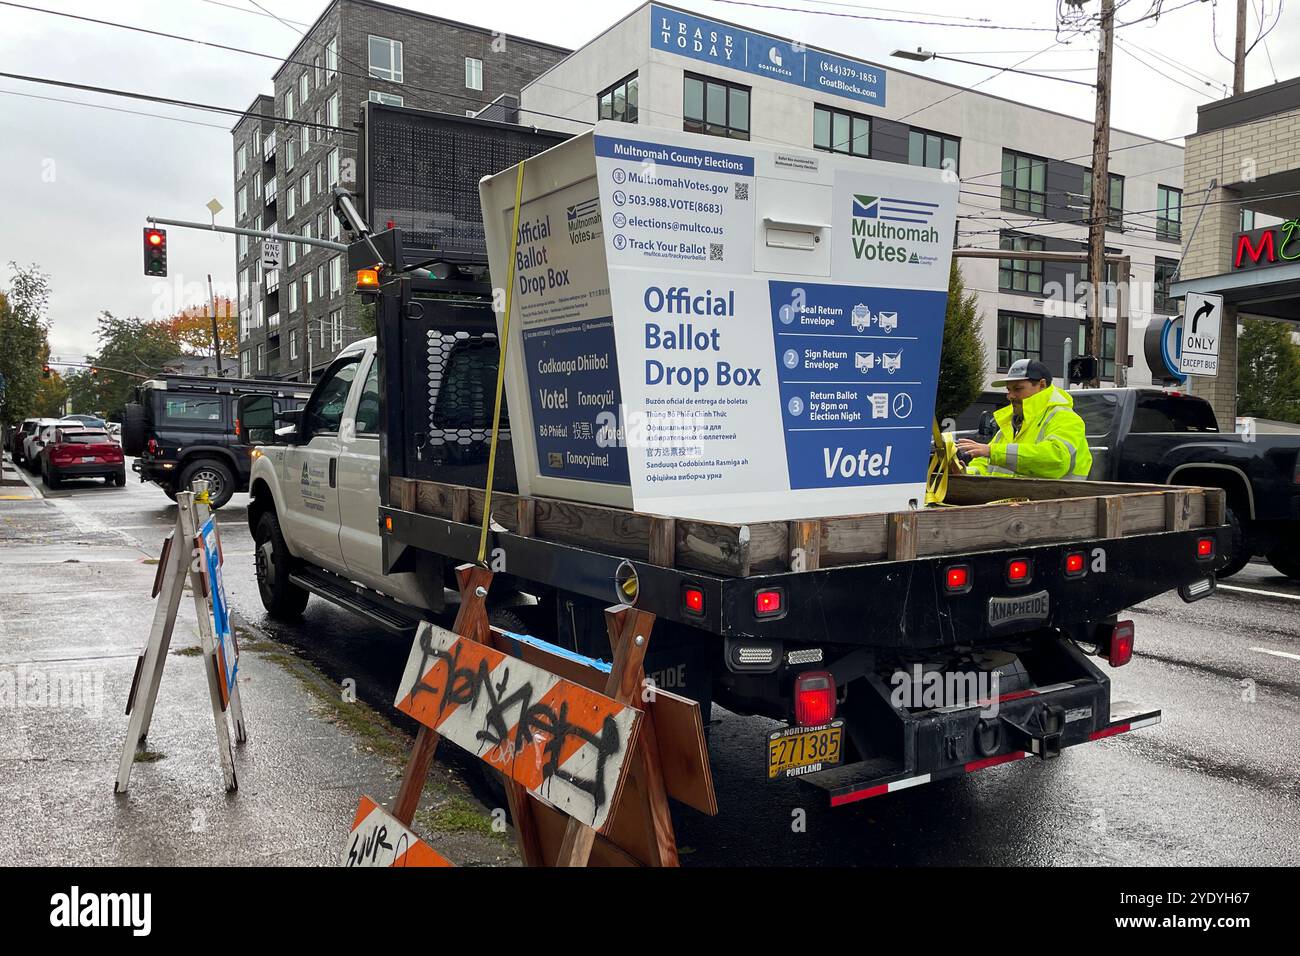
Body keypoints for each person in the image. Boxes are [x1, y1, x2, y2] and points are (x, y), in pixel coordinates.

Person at [956, 359, 1092, 479]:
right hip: (1016, 504)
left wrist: (992, 451)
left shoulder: (1065, 417)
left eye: (1018, 389)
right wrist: (965, 473)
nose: (1010, 396)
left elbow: (1056, 459)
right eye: (1008, 390)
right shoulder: (1010, 426)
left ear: (1042, 385)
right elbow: (985, 465)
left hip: (1055, 505)